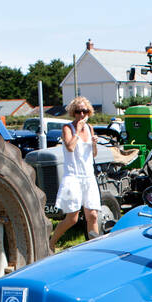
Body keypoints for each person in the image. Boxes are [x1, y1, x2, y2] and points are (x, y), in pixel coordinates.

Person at [48, 96, 101, 248]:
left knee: (93, 215)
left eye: (85, 111)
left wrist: (94, 144)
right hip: (73, 176)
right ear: (74, 113)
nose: (82, 115)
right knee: (72, 218)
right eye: (78, 112)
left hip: (88, 176)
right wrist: (77, 131)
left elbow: (93, 154)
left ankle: (94, 247)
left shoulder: (90, 129)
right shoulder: (67, 128)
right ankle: (51, 242)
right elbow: (70, 147)